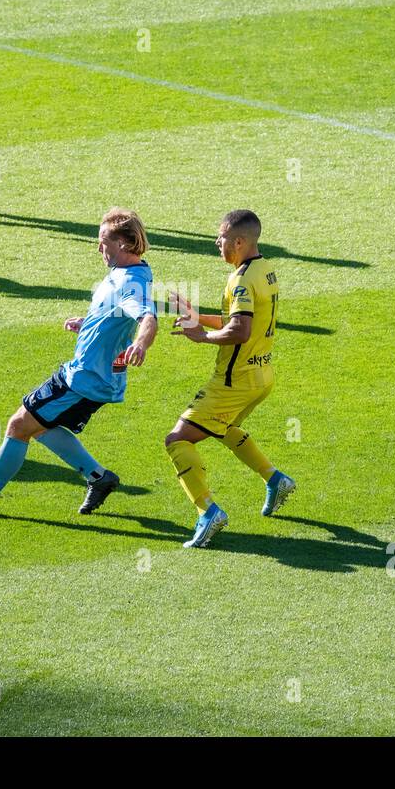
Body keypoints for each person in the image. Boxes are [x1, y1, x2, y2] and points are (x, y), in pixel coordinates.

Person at [0, 208, 159, 515]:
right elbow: (116, 314)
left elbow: (148, 317)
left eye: (103, 242)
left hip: (84, 378)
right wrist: (90, 322)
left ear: (123, 243)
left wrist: (141, 344)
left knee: (18, 425)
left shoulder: (131, 282)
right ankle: (98, 477)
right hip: (93, 375)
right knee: (40, 426)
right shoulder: (125, 272)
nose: (99, 249)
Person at [165, 210, 295, 547]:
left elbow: (240, 329)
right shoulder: (264, 270)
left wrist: (201, 337)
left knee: (178, 439)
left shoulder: (240, 280)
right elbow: (234, 318)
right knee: (224, 429)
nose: (216, 243)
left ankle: (207, 512)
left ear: (238, 241)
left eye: (221, 237)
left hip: (234, 381)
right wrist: (198, 317)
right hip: (262, 374)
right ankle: (275, 478)